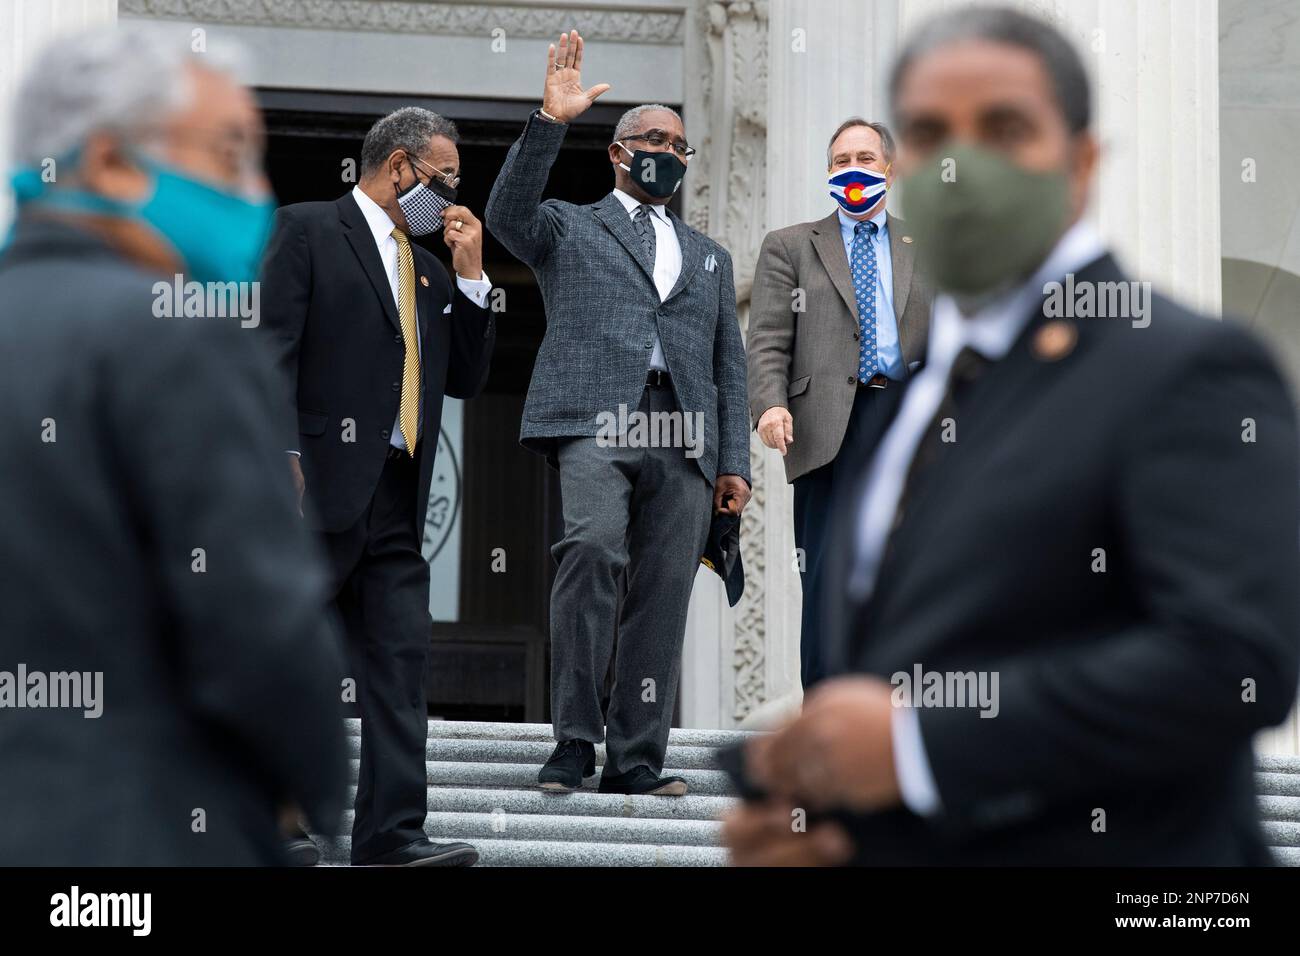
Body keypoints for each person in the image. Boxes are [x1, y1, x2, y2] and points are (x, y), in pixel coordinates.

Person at [724, 6, 1299, 866]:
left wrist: (917, 748)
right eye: (928, 131)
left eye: (1005, 127)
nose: (961, 161)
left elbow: (1232, 663)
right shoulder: (895, 411)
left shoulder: (1192, 369)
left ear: (1084, 160)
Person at [0, 26, 347, 865]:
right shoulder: (179, 335)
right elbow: (258, 620)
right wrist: (316, 783)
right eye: (229, 154)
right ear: (113, 163)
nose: (256, 192)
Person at [485, 31, 750, 796]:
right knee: (594, 552)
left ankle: (636, 759)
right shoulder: (570, 226)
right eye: (654, 140)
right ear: (620, 152)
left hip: (686, 432)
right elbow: (506, 215)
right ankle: (573, 741)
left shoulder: (709, 254)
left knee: (664, 589)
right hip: (599, 417)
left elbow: (729, 366)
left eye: (681, 143)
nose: (669, 151)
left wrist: (733, 461)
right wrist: (549, 120)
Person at [258, 107, 496, 866]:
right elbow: (269, 348)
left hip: (398, 494)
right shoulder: (307, 229)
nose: (451, 194)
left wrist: (472, 279)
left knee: (400, 663)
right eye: (443, 177)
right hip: (314, 487)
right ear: (399, 168)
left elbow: (465, 377)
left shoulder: (428, 269)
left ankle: (391, 834)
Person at [748, 117, 931, 689]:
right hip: (825, 427)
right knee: (827, 579)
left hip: (909, 426)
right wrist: (769, 406)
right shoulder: (791, 245)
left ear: (890, 170)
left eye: (865, 158)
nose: (853, 170)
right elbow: (769, 338)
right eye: (841, 161)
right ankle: (828, 720)